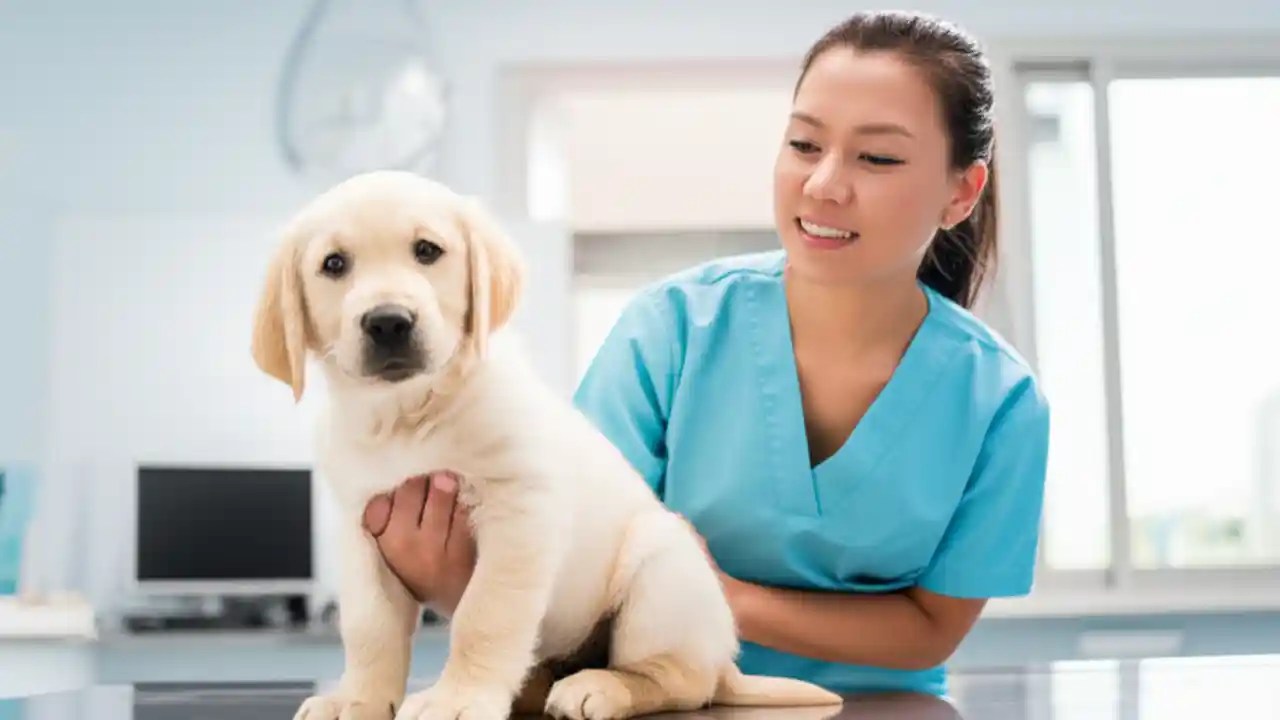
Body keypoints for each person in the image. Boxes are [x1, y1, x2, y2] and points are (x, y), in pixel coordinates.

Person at [361, 9, 1050, 698]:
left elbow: (930, 629)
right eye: (805, 144)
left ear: (962, 191)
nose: (823, 184)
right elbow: (571, 567)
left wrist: (715, 596)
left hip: (882, 712)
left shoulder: (1000, 403)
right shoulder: (672, 332)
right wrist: (453, 579)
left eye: (877, 157)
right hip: (651, 704)